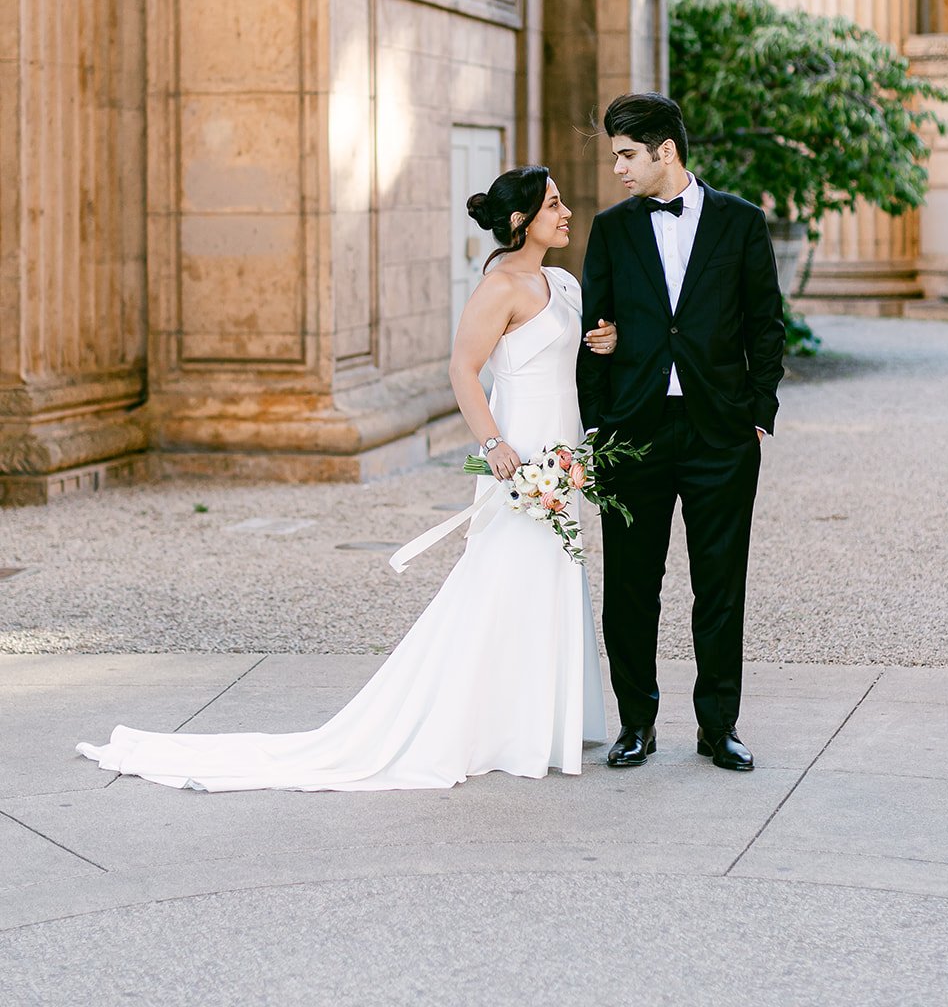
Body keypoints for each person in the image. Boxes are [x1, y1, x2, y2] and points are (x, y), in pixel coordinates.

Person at [76, 167, 617, 793]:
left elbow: (570, 354)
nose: (566, 211)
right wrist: (493, 445)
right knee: (502, 578)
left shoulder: (562, 282)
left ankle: (537, 723)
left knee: (551, 575)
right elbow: (463, 370)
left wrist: (601, 341)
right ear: (521, 219)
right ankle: (485, 723)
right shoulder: (499, 287)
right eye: (553, 204)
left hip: (562, 454)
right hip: (518, 457)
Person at [577, 93, 785, 772]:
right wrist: (598, 420)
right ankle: (635, 724)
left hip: (718, 432)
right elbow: (592, 331)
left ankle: (716, 726)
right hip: (634, 431)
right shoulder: (611, 230)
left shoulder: (741, 222)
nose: (617, 169)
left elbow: (765, 324)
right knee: (631, 588)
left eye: (626, 155)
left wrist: (757, 411)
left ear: (665, 151)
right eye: (615, 156)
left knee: (719, 585)